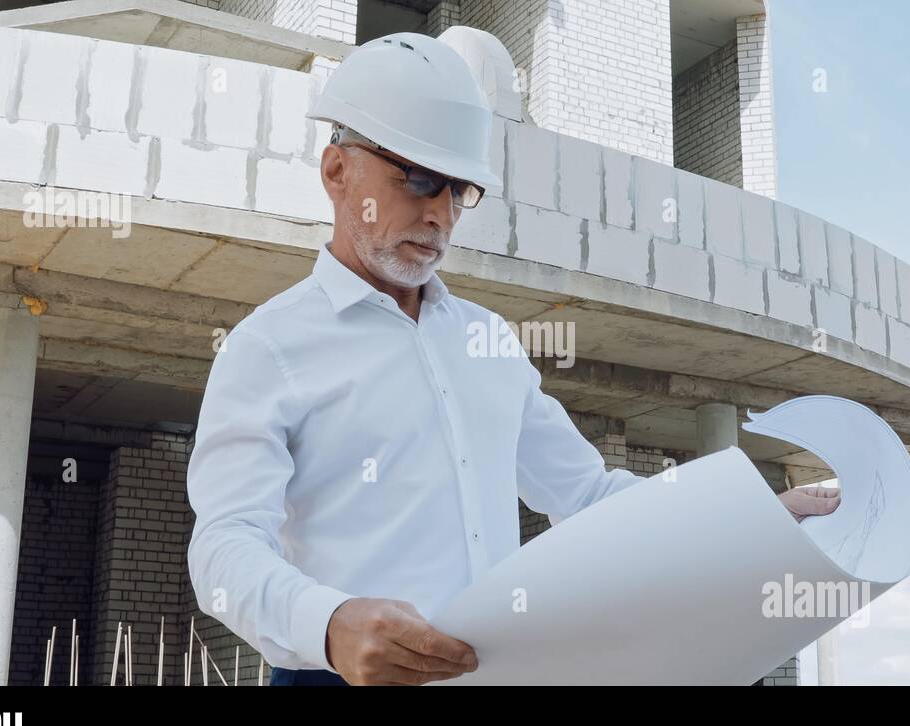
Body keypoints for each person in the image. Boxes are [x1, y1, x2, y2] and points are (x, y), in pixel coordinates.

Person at [186, 31, 841, 687]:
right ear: (336, 171)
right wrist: (327, 624)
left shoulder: (487, 341)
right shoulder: (267, 347)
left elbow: (587, 496)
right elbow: (224, 549)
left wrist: (746, 519)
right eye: (417, 179)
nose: (440, 213)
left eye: (458, 190)